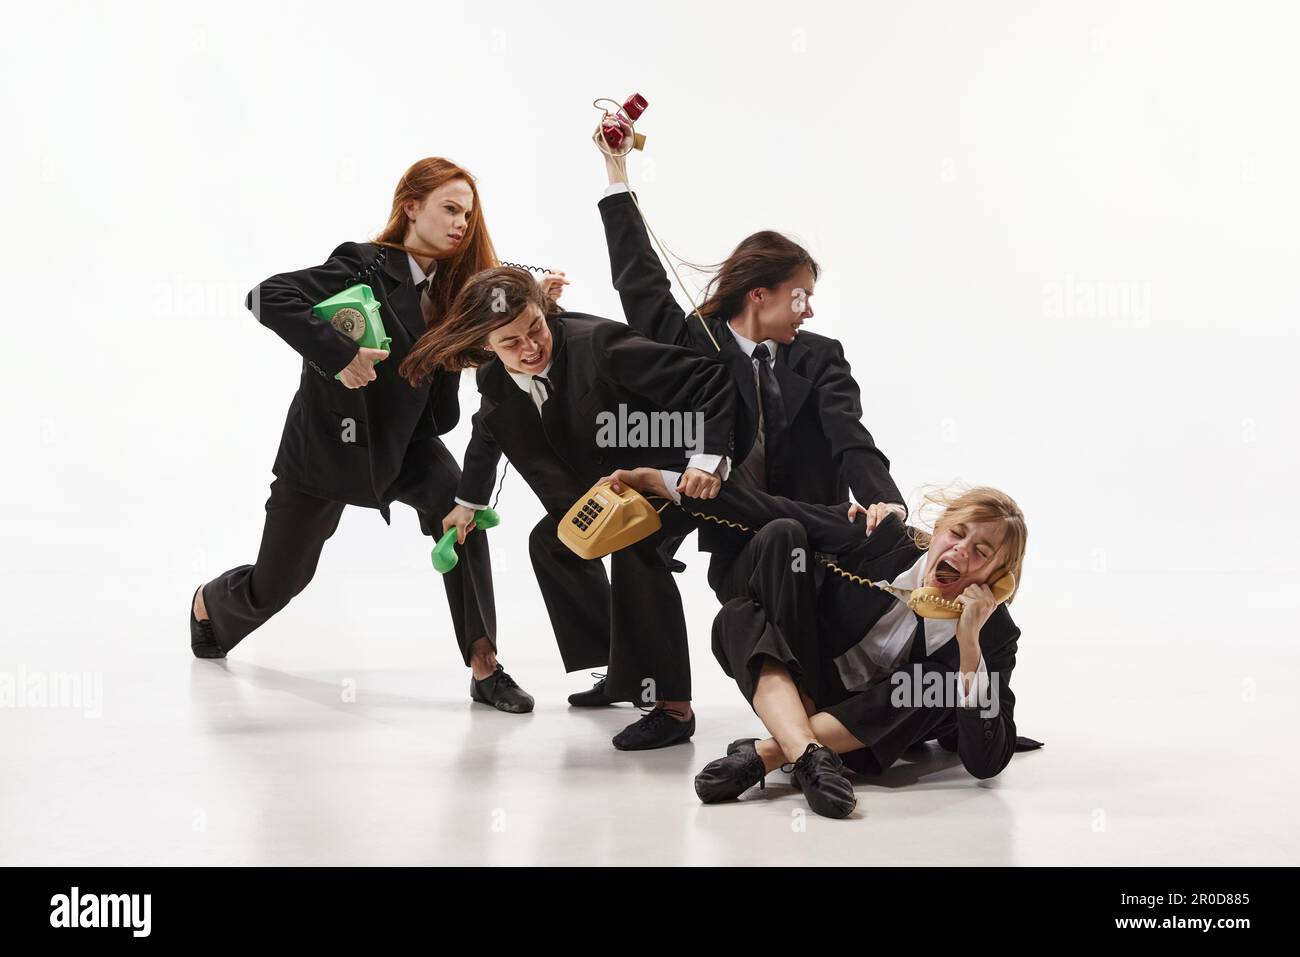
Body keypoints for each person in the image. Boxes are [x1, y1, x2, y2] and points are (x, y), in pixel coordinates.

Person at [190, 157, 554, 714]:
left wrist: (540, 301)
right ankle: (210, 604)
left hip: (408, 446)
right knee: (280, 582)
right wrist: (341, 356)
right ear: (411, 208)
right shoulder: (363, 264)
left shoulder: (458, 287)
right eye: (449, 209)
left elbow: (482, 348)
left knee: (461, 514)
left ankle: (485, 666)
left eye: (467, 214)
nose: (461, 223)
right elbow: (267, 296)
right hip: (328, 448)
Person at [401, 267, 737, 750]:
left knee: (636, 549)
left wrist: (705, 461)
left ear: (544, 312)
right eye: (510, 342)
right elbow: (487, 431)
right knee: (551, 542)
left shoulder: (600, 345)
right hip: (612, 487)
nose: (530, 348)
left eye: (535, 328)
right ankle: (624, 672)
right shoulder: (495, 377)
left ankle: (672, 707)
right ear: (485, 345)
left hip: (674, 472)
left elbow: (711, 377)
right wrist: (467, 503)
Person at [592, 129, 906, 641]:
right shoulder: (694, 343)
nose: (809, 310)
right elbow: (639, 281)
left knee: (849, 560)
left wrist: (884, 501)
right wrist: (616, 172)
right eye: (801, 297)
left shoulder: (821, 357)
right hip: (735, 535)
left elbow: (850, 438)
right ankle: (654, 678)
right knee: (645, 538)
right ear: (759, 295)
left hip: (815, 537)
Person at [597, 467, 1032, 818]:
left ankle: (773, 753)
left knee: (934, 682)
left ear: (998, 576)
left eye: (981, 551)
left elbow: (986, 762)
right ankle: (805, 751)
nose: (961, 551)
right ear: (937, 530)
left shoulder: (995, 634)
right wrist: (657, 480)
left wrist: (969, 646)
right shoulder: (881, 537)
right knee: (739, 613)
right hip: (806, 686)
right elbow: (765, 508)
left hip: (865, 738)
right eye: (957, 533)